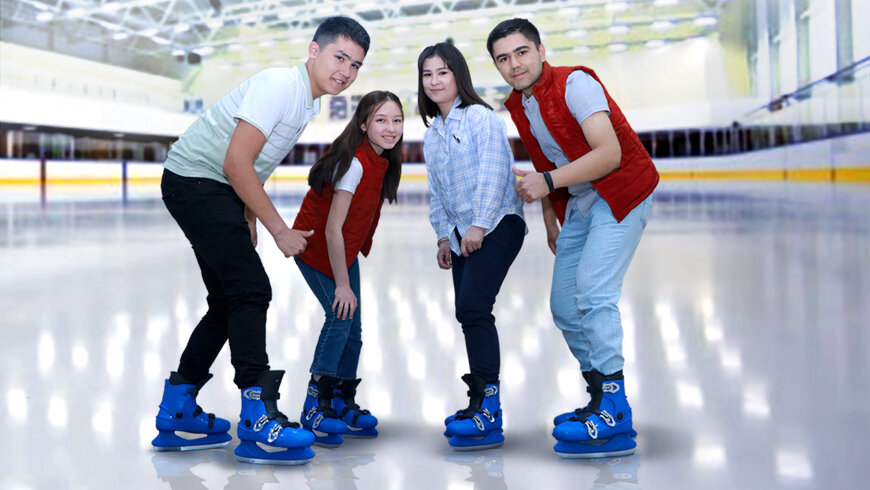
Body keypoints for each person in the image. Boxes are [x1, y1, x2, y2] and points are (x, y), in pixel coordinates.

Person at [151, 16, 370, 466]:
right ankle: (256, 414)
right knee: (252, 290)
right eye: (340, 57)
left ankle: (178, 406)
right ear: (314, 51)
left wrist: (249, 215)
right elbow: (236, 162)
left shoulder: (305, 103)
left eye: (356, 65)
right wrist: (279, 229)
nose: (346, 71)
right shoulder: (279, 87)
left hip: (216, 190)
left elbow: (259, 160)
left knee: (228, 300)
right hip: (196, 181)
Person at [486, 18, 658, 459]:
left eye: (522, 52)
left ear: (541, 50)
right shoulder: (519, 105)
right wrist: (550, 217)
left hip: (620, 193)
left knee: (594, 293)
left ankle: (616, 413)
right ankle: (600, 396)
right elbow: (545, 163)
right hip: (579, 205)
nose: (514, 63)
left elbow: (609, 153)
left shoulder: (575, 83)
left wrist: (546, 183)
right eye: (503, 58)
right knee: (565, 305)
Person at [418, 42, 526, 451]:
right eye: (427, 75)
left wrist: (479, 225)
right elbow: (437, 192)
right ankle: (480, 400)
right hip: (463, 231)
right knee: (468, 312)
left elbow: (495, 172)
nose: (434, 81)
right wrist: (445, 236)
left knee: (473, 307)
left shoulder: (481, 118)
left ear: (457, 75)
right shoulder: (433, 135)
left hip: (498, 223)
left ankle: (489, 410)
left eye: (442, 72)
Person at [292, 91, 404, 447]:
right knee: (340, 316)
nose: (391, 128)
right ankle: (315, 402)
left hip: (342, 251)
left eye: (397, 120)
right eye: (381, 120)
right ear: (363, 124)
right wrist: (342, 284)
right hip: (317, 250)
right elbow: (331, 228)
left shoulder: (381, 161)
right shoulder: (355, 163)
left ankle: (340, 399)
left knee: (353, 329)